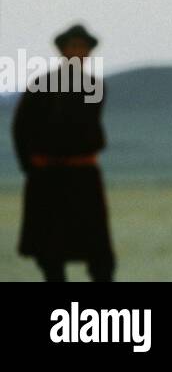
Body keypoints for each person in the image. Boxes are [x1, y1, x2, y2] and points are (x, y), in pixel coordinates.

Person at [11, 24, 115, 282]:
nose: (78, 52)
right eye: (73, 47)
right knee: (50, 253)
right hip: (48, 176)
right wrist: (32, 166)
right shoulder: (40, 87)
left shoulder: (94, 87)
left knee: (100, 255)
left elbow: (84, 127)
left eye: (83, 48)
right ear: (63, 51)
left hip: (82, 175)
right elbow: (21, 129)